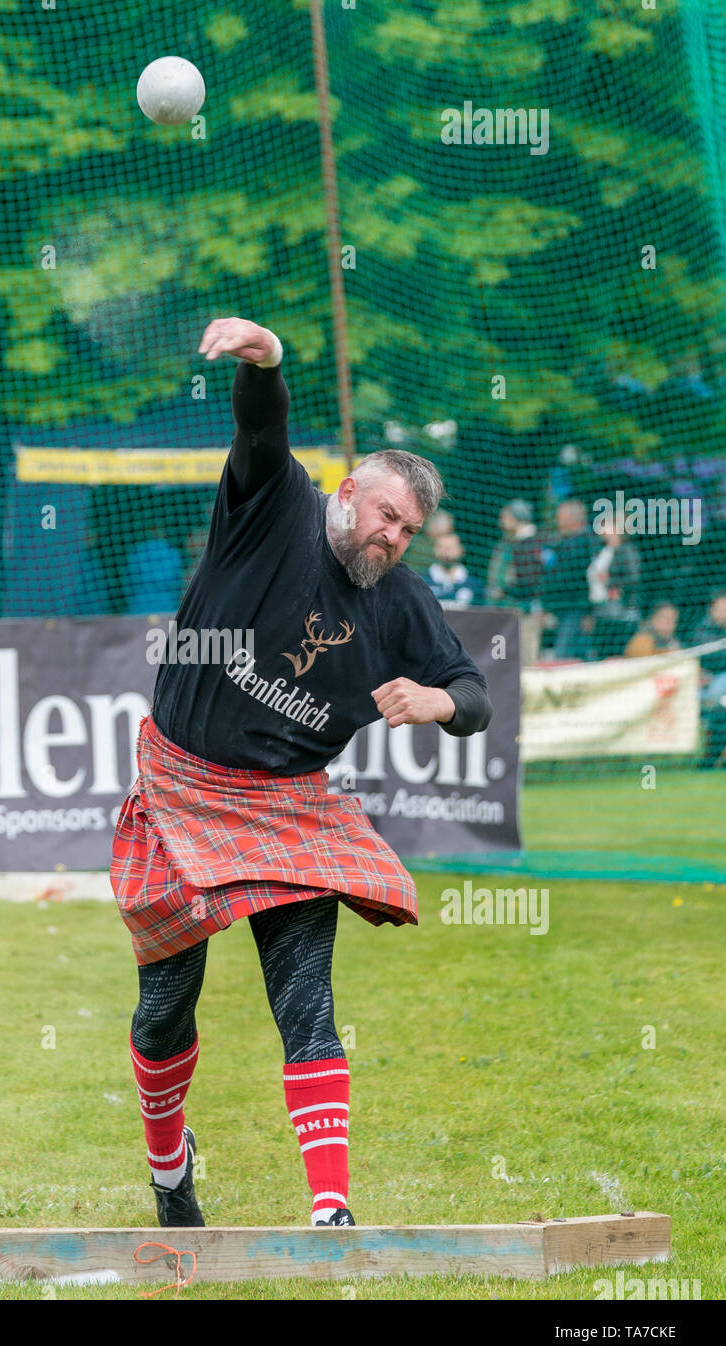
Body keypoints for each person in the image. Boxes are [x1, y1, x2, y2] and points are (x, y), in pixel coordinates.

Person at [110, 317, 492, 1230]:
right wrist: (269, 357)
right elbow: (262, 425)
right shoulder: (274, 505)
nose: (393, 536)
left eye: (410, 528)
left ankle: (331, 1211)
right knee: (164, 1010)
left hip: (290, 812)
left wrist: (438, 705)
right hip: (182, 788)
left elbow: (472, 695)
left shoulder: (401, 602)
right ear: (350, 492)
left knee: (308, 1008)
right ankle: (170, 1172)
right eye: (385, 514)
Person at [485, 499, 544, 665]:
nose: (502, 520)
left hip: (526, 611)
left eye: (505, 516)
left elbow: (532, 581)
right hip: (504, 610)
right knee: (505, 660)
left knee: (526, 661)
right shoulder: (507, 543)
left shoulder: (532, 542)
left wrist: (504, 590)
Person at [542, 499, 597, 660]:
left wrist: (589, 611)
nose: (557, 518)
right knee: (577, 653)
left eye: (560, 515)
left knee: (564, 655)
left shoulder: (584, 541)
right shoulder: (561, 542)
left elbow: (582, 577)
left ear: (571, 517)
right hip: (562, 607)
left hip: (576, 608)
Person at [586, 520, 642, 660]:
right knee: (602, 653)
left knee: (617, 653)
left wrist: (610, 581)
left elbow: (633, 578)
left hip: (620, 612)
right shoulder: (602, 550)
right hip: (602, 611)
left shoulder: (626, 549)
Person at [691, 591, 726, 768]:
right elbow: (697, 656)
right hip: (701, 679)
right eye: (719, 608)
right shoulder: (700, 630)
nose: (723, 612)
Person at [423, 531, 484, 606]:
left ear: (461, 550)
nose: (445, 552)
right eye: (441, 547)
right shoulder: (422, 582)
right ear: (434, 550)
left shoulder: (474, 584)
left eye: (450, 548)